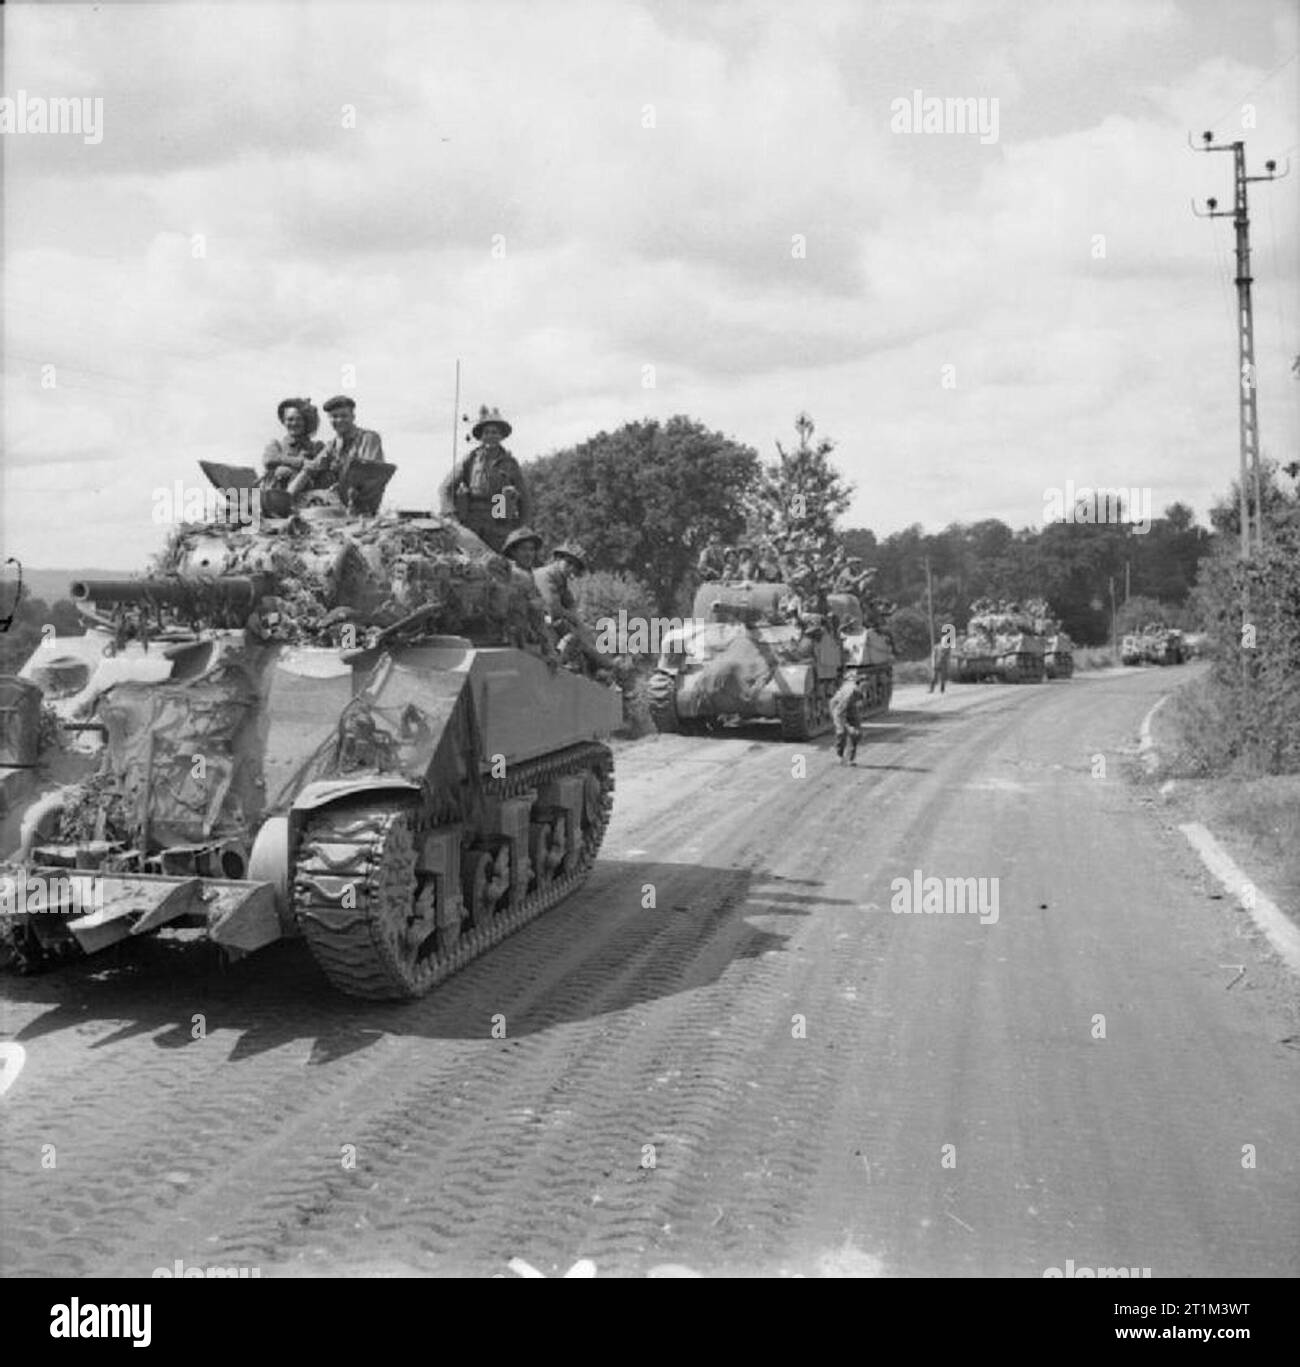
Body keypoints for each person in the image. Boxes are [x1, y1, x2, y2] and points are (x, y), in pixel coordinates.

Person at [440, 405, 532, 552]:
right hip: (472, 523)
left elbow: (525, 500)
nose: (491, 436)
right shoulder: (470, 459)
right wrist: (451, 516)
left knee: (499, 565)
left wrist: (521, 530)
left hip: (500, 522)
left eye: (495, 432)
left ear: (501, 436)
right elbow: (445, 487)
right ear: (481, 436)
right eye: (487, 432)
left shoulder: (510, 463)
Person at [534, 542, 601, 670]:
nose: (571, 569)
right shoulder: (546, 575)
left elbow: (571, 606)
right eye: (568, 563)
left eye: (575, 567)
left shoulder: (560, 581)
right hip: (538, 621)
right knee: (573, 634)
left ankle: (602, 664)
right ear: (558, 559)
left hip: (549, 622)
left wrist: (580, 623)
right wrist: (574, 618)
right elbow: (554, 609)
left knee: (582, 634)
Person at [320, 395, 385, 492]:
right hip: (338, 499)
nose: (339, 420)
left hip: (364, 498)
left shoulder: (368, 438)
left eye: (344, 416)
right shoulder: (332, 445)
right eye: (334, 416)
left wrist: (343, 486)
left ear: (353, 417)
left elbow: (369, 472)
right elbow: (313, 466)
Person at [262, 398, 324, 489]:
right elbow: (269, 460)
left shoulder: (317, 447)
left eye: (299, 419)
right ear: (284, 422)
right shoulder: (276, 445)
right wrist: (301, 462)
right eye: (290, 419)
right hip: (278, 497)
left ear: (306, 422)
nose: (294, 423)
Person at [829, 677, 866, 765]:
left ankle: (850, 759)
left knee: (856, 733)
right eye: (864, 686)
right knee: (841, 732)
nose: (865, 688)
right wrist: (849, 727)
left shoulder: (860, 692)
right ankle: (839, 755)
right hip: (838, 709)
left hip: (851, 708)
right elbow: (841, 713)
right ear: (858, 685)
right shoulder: (849, 695)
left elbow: (857, 705)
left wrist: (855, 726)